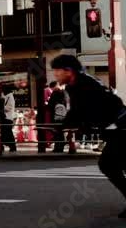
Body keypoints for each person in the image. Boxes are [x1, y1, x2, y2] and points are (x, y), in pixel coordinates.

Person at [51, 55, 126, 219]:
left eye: (57, 72)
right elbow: (78, 111)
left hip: (121, 126)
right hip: (115, 128)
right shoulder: (76, 85)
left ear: (68, 71)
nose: (55, 75)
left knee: (108, 164)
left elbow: (86, 110)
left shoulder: (85, 85)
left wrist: (72, 125)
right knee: (113, 164)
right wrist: (66, 125)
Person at [48, 87, 69, 153]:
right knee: (60, 133)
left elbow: (50, 107)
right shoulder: (64, 99)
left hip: (56, 118)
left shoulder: (54, 99)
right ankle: (60, 147)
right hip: (63, 118)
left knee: (57, 133)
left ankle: (57, 147)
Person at [1, 84, 18, 153]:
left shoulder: (10, 97)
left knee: (8, 133)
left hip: (7, 117)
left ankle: (12, 146)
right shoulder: (7, 96)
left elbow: (9, 107)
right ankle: (9, 145)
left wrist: (1, 107)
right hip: (6, 117)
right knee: (6, 132)